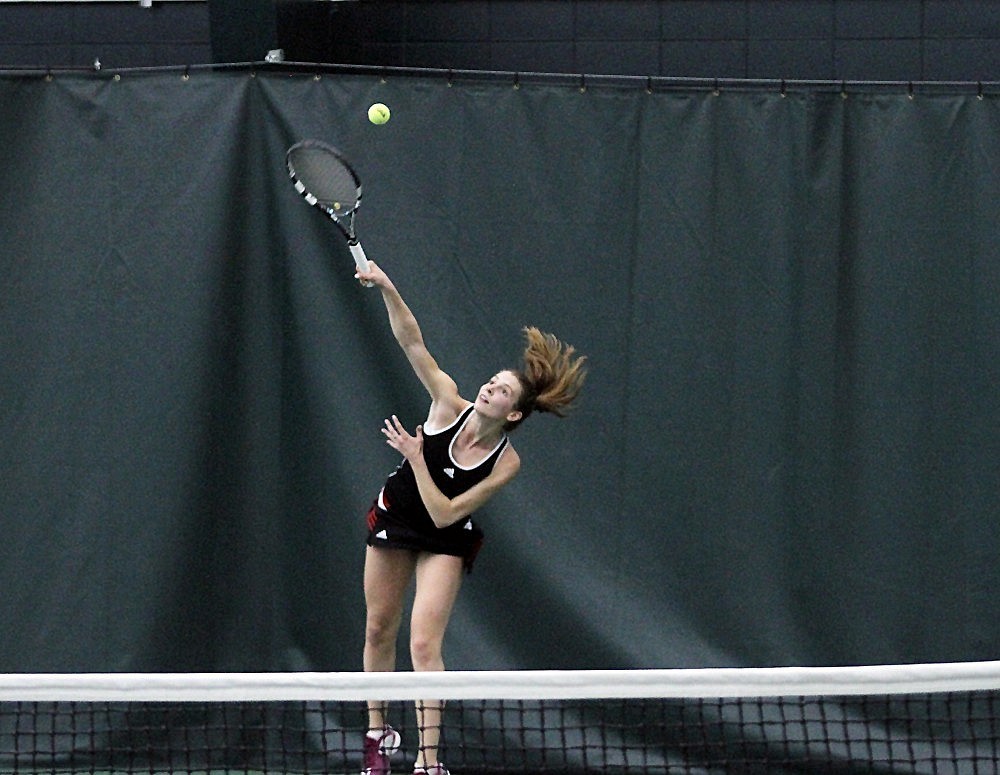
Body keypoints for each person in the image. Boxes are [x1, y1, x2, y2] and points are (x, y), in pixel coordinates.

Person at [355, 260, 587, 775]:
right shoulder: (445, 401)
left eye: (503, 390)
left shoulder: (506, 463)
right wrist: (390, 287)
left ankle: (428, 763)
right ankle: (377, 737)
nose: (489, 389)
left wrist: (416, 457)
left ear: (514, 414)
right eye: (491, 382)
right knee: (377, 628)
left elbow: (445, 513)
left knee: (421, 643)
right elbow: (412, 343)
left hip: (442, 531)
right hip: (396, 515)